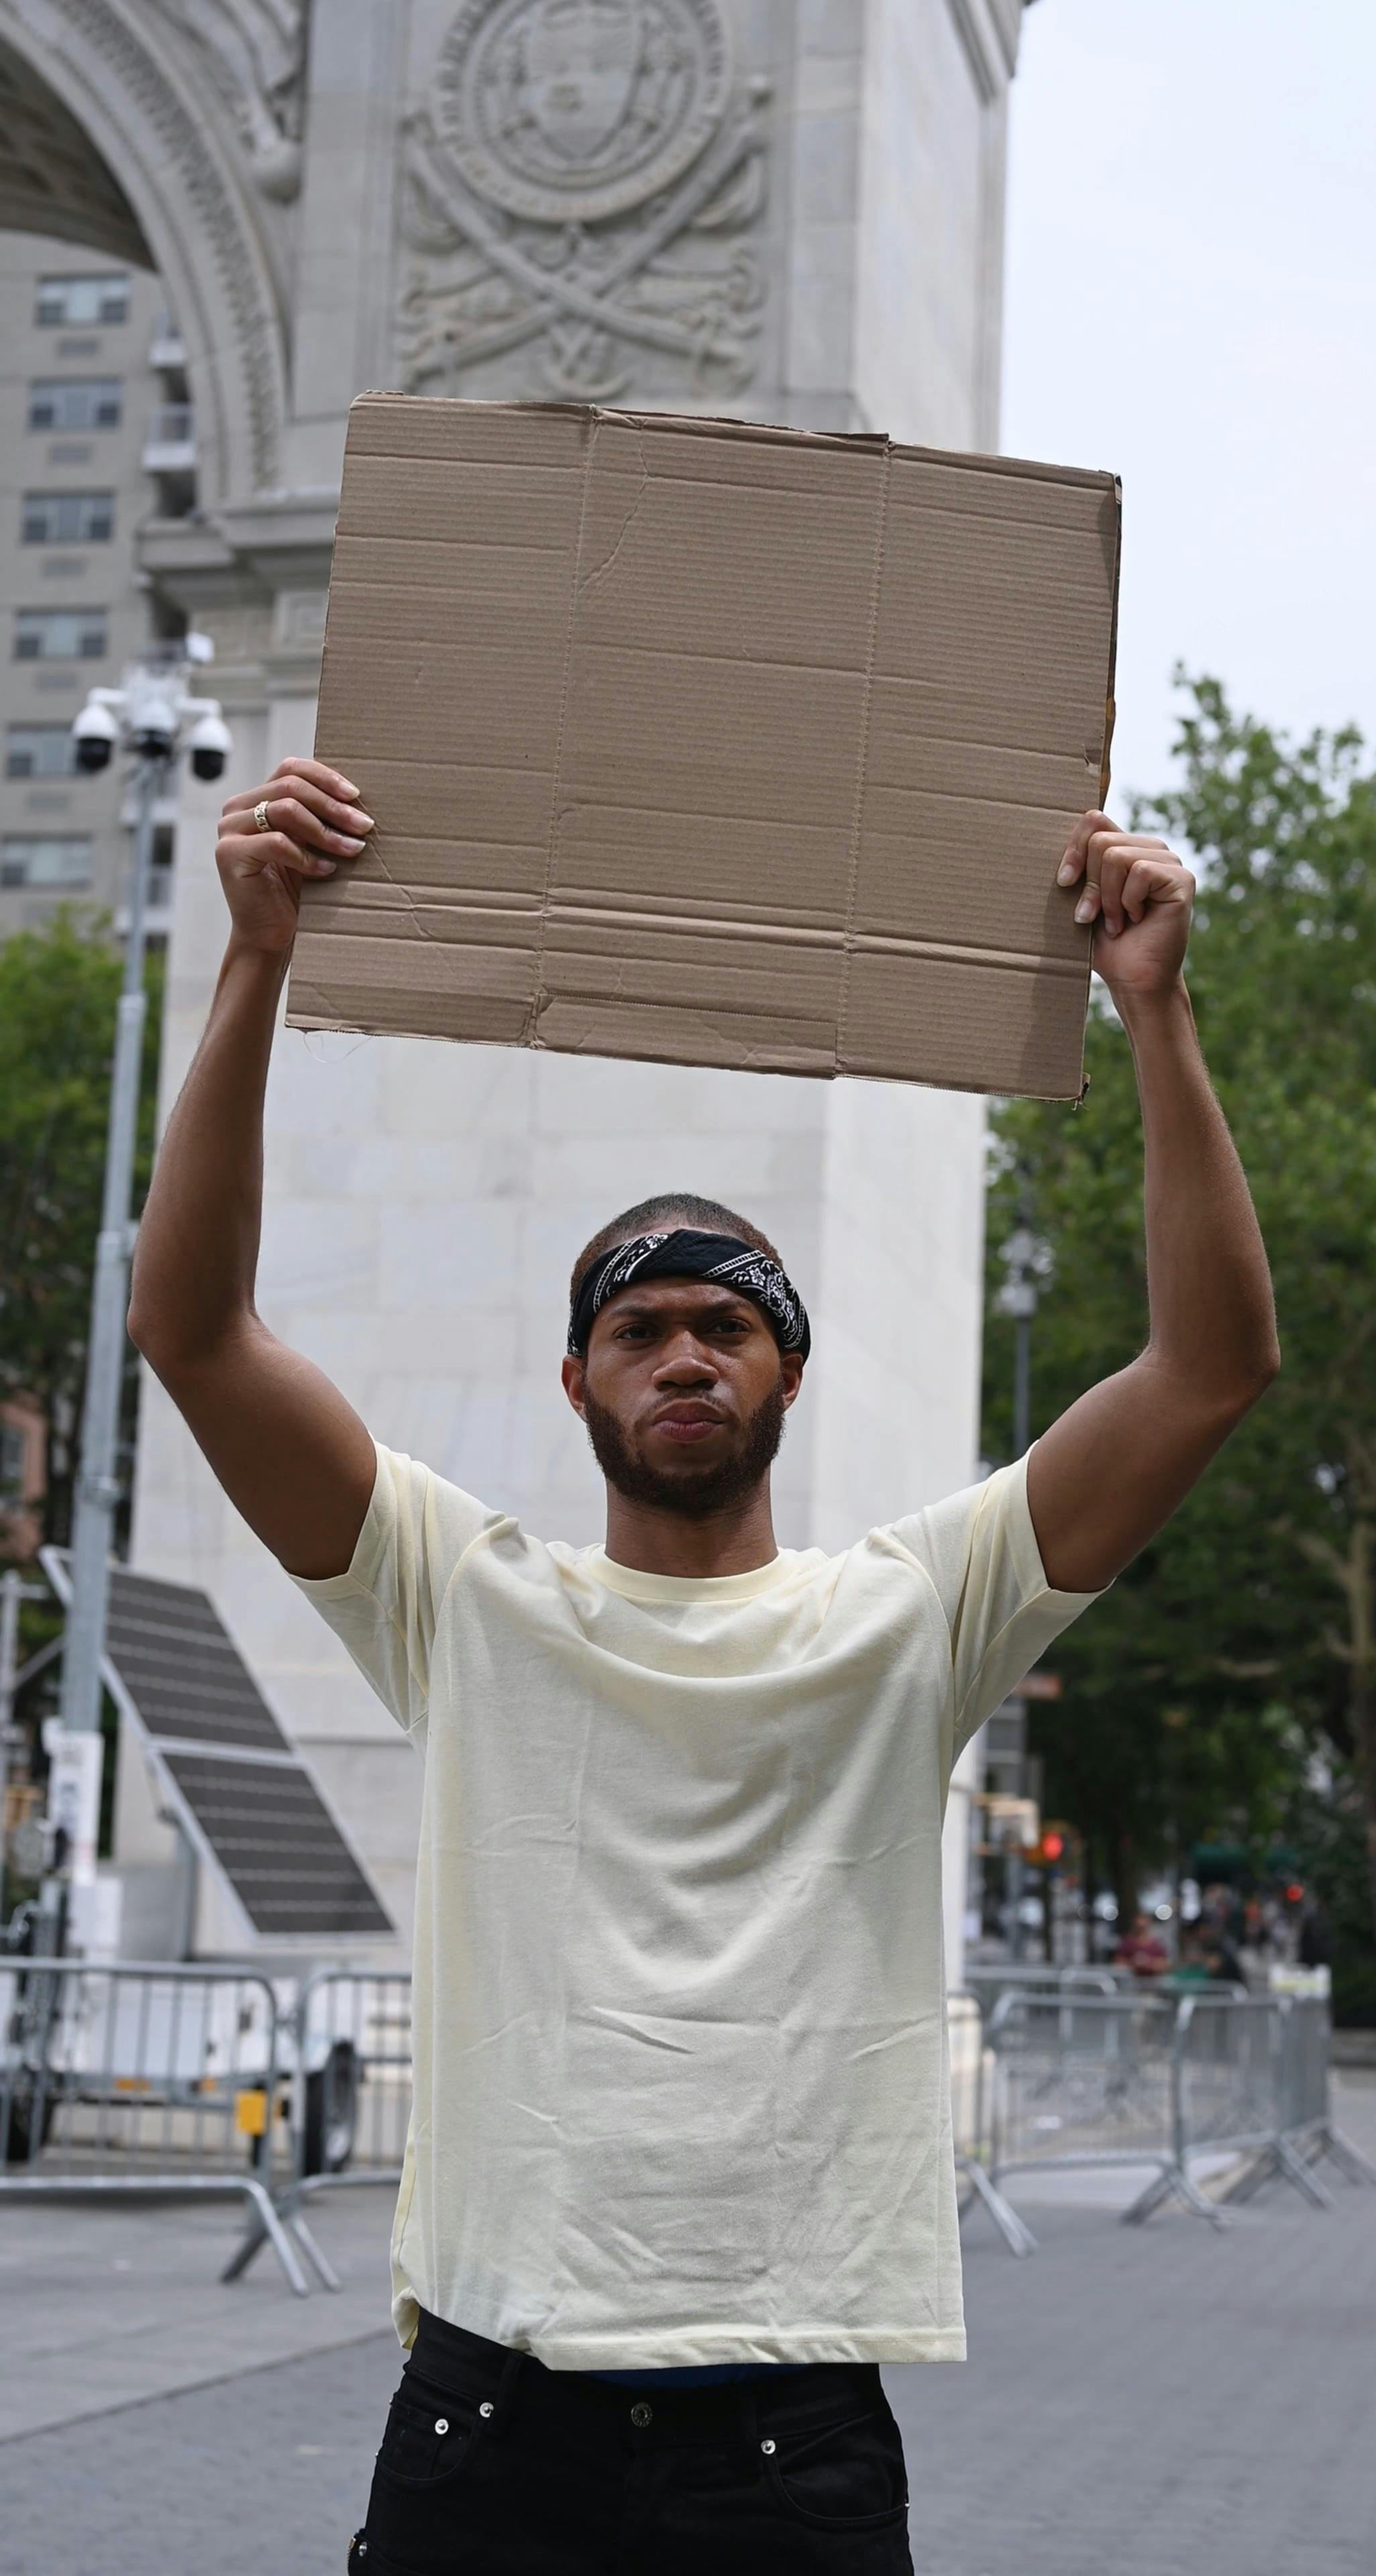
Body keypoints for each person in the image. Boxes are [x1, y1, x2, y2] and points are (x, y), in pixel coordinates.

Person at [127, 763, 1279, 2575]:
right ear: (574, 1385)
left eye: (726, 1327)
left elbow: (1211, 1372)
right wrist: (253, 957)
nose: (683, 1358)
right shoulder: (464, 1596)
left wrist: (1157, 1006)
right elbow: (191, 1336)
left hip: (790, 2440)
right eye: (639, 1329)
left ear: (786, 1379)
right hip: (491, 2420)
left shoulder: (916, 1609)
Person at [1114, 1911, 1170, 1980]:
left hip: (1152, 1983)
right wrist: (1133, 1964)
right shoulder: (1127, 1943)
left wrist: (1149, 1964)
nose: (1140, 1929)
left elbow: (1165, 1964)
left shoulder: (1157, 1944)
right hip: (1132, 1982)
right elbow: (1118, 1963)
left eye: (1143, 1927)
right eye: (1138, 1927)